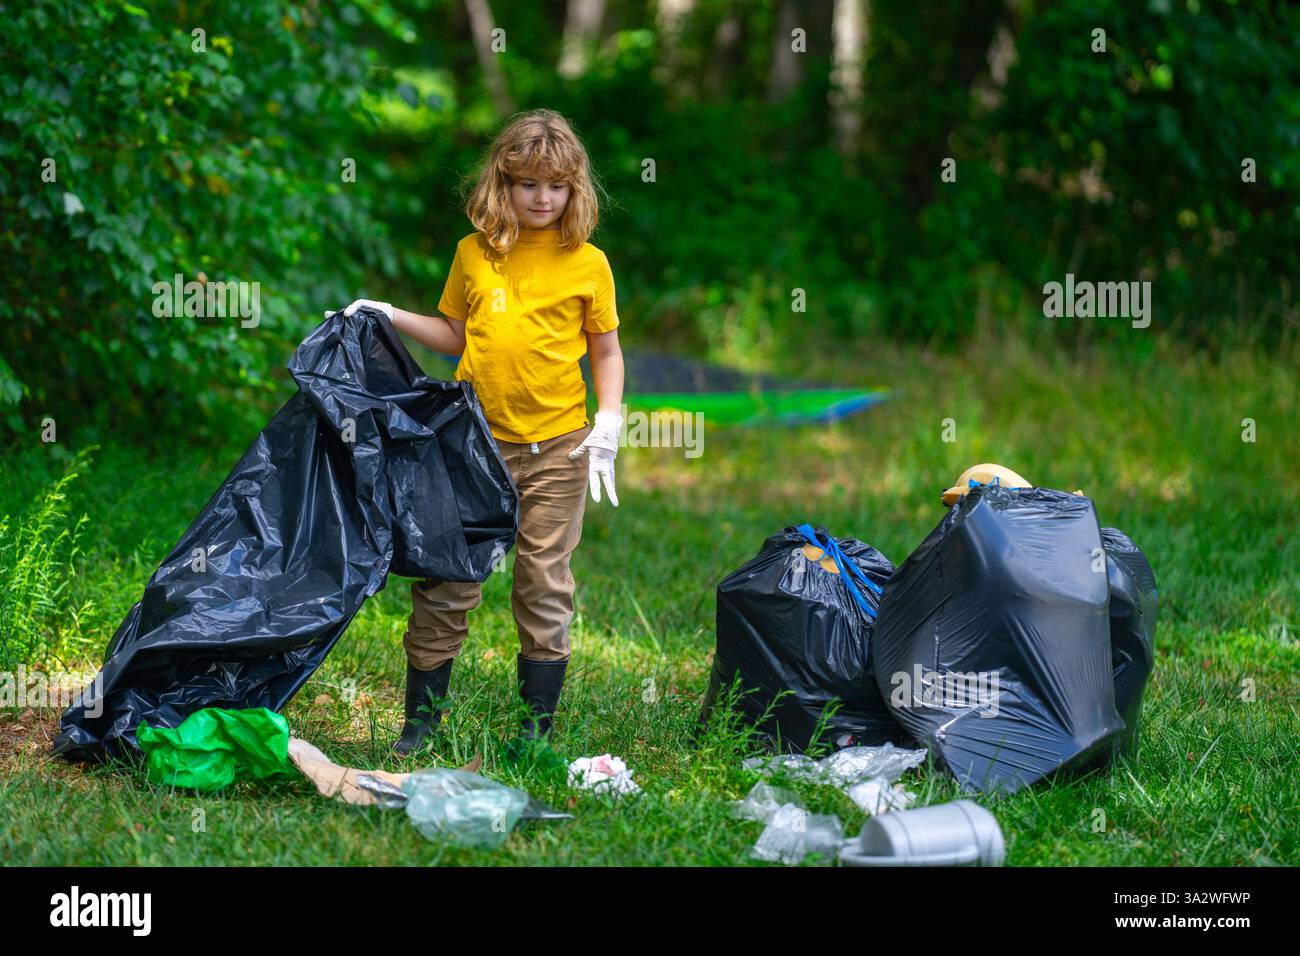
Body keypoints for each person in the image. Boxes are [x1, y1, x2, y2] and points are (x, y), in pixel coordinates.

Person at [336, 108, 625, 756]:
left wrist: (608, 421)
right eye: (528, 184)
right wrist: (386, 313)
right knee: (448, 580)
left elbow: (605, 351)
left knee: (543, 582)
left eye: (557, 185)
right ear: (503, 183)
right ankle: (420, 727)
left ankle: (534, 733)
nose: (543, 197)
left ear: (575, 188)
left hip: (558, 448)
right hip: (474, 447)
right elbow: (455, 337)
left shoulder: (587, 263)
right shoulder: (475, 253)